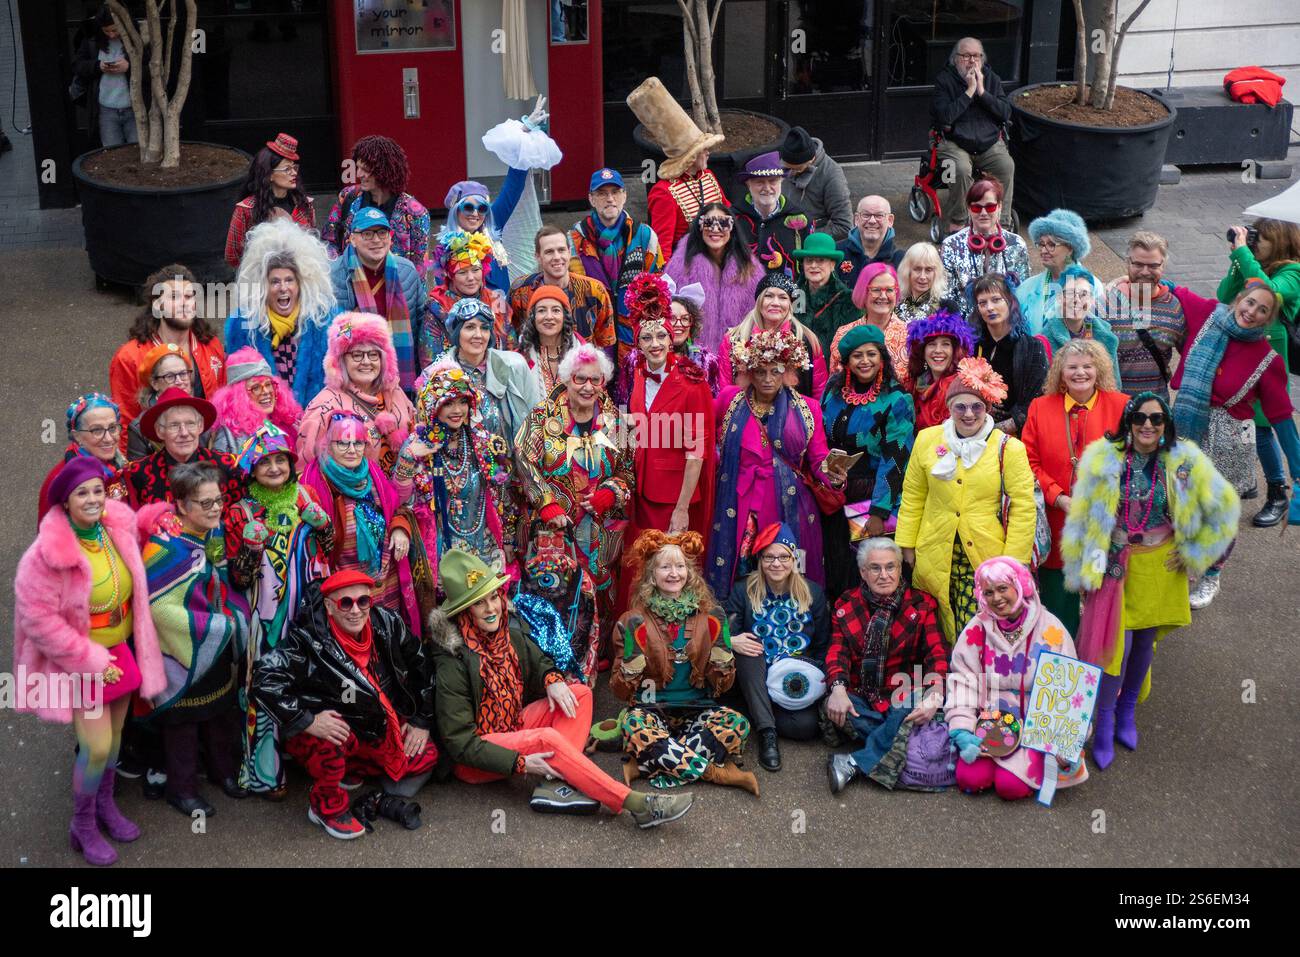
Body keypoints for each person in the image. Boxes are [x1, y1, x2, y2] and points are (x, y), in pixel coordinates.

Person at [428, 548, 693, 827]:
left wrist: (552, 681)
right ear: (464, 613)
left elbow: (541, 661)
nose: (492, 608)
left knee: (579, 693)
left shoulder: (508, 636)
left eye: (494, 597)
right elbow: (460, 743)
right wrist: (521, 763)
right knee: (546, 738)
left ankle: (556, 783)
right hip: (478, 754)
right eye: (479, 603)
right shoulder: (452, 660)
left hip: (513, 726)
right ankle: (635, 804)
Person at [1061, 393, 1239, 769]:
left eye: (1156, 420)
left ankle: (1127, 713)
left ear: (1166, 425)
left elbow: (1224, 510)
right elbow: (1080, 519)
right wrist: (1083, 570)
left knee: (1143, 645)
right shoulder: (1102, 459)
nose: (1147, 425)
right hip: (1116, 567)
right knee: (1116, 648)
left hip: (1161, 567)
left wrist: (1197, 552)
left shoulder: (1184, 459)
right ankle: (1104, 719)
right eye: (1139, 418)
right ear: (1128, 421)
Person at [14, 457, 165, 866]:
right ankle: (82, 824)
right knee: (96, 747)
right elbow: (38, 619)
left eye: (98, 489)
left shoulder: (113, 524)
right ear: (63, 503)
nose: (94, 498)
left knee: (114, 739)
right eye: (83, 493)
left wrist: (156, 516)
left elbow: (138, 529)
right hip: (82, 659)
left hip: (121, 649)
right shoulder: (45, 553)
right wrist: (92, 661)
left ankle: (106, 807)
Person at [251, 569, 439, 839]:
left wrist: (420, 721)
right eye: (345, 603)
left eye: (363, 601)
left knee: (427, 755)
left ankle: (352, 768)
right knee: (332, 740)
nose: (356, 610)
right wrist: (308, 720)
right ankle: (325, 806)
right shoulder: (307, 640)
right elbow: (263, 678)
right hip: (330, 727)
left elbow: (422, 664)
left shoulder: (387, 623)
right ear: (329, 606)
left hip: (374, 721)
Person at [1171, 278, 1300, 607]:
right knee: (1178, 502)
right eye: (1250, 303)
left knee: (1220, 512)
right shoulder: (1208, 315)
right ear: (1238, 299)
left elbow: (1282, 418)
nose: (1252, 312)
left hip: (1229, 442)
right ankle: (1181, 565)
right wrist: (1134, 280)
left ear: (1269, 319)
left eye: (1263, 310)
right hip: (1185, 429)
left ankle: (1212, 576)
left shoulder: (1268, 360)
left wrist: (1297, 472)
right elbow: (1171, 288)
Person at [226, 425, 333, 797]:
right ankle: (266, 773)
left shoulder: (305, 496)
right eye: (264, 462)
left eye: (280, 460)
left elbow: (327, 550)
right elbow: (238, 579)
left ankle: (315, 763)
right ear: (251, 470)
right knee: (265, 687)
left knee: (309, 681)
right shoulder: (241, 512)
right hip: (264, 619)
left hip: (306, 613)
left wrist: (324, 526)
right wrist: (250, 550)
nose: (273, 468)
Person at [896, 358, 1036, 641]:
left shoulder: (1008, 448)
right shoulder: (926, 439)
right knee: (936, 626)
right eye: (960, 406)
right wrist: (907, 545)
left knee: (979, 631)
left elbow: (1023, 507)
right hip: (935, 550)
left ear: (988, 409)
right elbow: (913, 495)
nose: (969, 414)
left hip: (985, 555)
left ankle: (977, 681)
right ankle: (945, 680)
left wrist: (1012, 563)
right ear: (950, 409)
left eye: (977, 407)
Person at [139, 463, 249, 817]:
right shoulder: (166, 550)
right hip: (182, 650)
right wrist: (215, 626)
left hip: (210, 642)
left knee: (219, 711)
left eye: (218, 500)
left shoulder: (209, 536)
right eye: (205, 503)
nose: (215, 508)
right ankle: (181, 789)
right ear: (182, 506)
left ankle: (223, 772)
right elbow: (158, 608)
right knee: (182, 723)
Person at [613, 531, 757, 794]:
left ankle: (647, 765)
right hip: (651, 708)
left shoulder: (711, 617)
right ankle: (718, 774)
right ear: (651, 575)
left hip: (697, 708)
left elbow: (722, 686)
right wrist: (631, 666)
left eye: (680, 566)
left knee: (738, 723)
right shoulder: (632, 619)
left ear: (689, 573)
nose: (673, 573)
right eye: (665, 566)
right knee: (633, 725)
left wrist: (724, 663)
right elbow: (620, 691)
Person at [516, 344, 634, 656]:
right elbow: (523, 460)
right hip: (553, 528)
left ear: (603, 383)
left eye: (595, 380)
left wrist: (611, 492)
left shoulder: (616, 421)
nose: (587, 387)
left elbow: (627, 469)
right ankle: (552, 659)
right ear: (567, 379)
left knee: (601, 587)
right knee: (553, 591)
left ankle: (599, 655)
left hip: (601, 529)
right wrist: (546, 503)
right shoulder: (542, 416)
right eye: (580, 379)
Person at [707, 329, 842, 602]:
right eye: (760, 372)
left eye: (775, 371)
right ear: (749, 371)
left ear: (788, 370)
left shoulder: (808, 407)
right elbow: (704, 438)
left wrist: (835, 476)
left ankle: (786, 630)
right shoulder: (729, 400)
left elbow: (817, 459)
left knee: (784, 568)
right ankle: (737, 629)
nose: (768, 379)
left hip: (788, 502)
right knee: (739, 569)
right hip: (737, 499)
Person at [945, 558, 1087, 800]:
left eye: (1003, 588)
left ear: (1020, 586)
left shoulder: (1051, 628)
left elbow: (1068, 688)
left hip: (1034, 726)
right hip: (989, 724)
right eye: (988, 592)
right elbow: (963, 681)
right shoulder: (975, 629)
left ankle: (1022, 766)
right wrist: (963, 728)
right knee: (969, 780)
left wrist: (1063, 741)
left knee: (1009, 787)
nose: (997, 598)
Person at [824, 538, 949, 794]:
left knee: (913, 705)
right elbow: (838, 653)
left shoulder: (922, 605)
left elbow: (936, 656)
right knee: (835, 706)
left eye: (891, 567)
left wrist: (935, 694)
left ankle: (853, 762)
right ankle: (897, 737)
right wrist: (837, 689)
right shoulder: (845, 604)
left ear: (900, 569)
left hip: (904, 691)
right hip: (863, 696)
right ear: (862, 572)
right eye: (875, 568)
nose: (884, 575)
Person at [1021, 339, 1128, 635]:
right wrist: (1058, 497)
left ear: (1099, 369)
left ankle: (1100, 662)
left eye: (1087, 366)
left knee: (1104, 599)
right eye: (1072, 367)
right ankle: (1065, 660)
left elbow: (1133, 460)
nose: (1080, 372)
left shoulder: (1121, 405)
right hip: (1056, 521)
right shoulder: (1040, 407)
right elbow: (1028, 461)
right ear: (1060, 372)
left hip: (1105, 520)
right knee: (1059, 603)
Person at [427, 297, 541, 551]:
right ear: (456, 332)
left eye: (484, 327)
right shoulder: (437, 373)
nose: (478, 335)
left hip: (513, 477)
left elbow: (535, 420)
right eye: (469, 327)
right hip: (465, 486)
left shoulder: (514, 364)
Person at [300, 412, 425, 633]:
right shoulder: (315, 481)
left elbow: (396, 509)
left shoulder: (372, 473)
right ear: (329, 444)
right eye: (343, 443)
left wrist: (399, 529)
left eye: (358, 443)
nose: (352, 450)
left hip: (387, 584)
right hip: (349, 596)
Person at [621, 273, 716, 558]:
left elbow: (697, 452)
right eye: (646, 337)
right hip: (641, 492)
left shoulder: (692, 382)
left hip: (674, 496)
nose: (655, 344)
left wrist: (682, 508)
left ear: (671, 338)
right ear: (638, 343)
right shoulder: (638, 374)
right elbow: (636, 427)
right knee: (643, 567)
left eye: (661, 335)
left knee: (672, 565)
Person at [393, 360, 512, 588]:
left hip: (483, 547)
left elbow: (500, 495)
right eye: (448, 404)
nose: (457, 411)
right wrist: (409, 457)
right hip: (440, 552)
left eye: (462, 402)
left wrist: (505, 538)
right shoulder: (418, 445)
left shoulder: (482, 441)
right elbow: (401, 502)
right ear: (432, 407)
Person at [820, 325, 916, 600]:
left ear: (882, 357)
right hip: (834, 493)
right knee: (835, 563)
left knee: (867, 567)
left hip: (871, 495)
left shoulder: (897, 399)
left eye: (871, 354)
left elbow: (896, 458)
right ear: (847, 361)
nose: (865, 361)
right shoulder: (832, 389)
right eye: (857, 355)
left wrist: (879, 511)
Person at [725, 522, 830, 771]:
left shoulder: (812, 592)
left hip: (794, 680)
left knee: (806, 728)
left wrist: (816, 677)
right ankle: (767, 734)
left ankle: (754, 712)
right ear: (760, 560)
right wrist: (732, 639)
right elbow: (723, 629)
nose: (776, 563)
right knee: (750, 650)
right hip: (756, 672)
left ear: (794, 559)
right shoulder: (744, 590)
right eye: (769, 557)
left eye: (784, 556)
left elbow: (823, 645)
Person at [1220, 219, 1300, 528]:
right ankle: (1247, 478)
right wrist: (1238, 259)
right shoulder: (1256, 265)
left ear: (1279, 241)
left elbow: (1266, 293)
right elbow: (1224, 293)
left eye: (1260, 238)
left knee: (1263, 425)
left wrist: (1243, 254)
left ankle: (1278, 493)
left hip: (1269, 357)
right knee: (1239, 417)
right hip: (1243, 349)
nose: (1254, 241)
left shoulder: (1292, 272)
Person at [109, 264, 225, 453]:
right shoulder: (129, 357)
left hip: (207, 456)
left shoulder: (211, 346)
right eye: (174, 297)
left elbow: (221, 409)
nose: (184, 303)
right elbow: (125, 423)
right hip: (157, 462)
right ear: (157, 304)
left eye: (189, 297)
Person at [224, 217, 339, 405]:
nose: (283, 288)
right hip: (267, 428)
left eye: (289, 280)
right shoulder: (245, 328)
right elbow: (239, 389)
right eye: (275, 281)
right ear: (264, 287)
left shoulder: (323, 322)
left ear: (301, 285)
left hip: (315, 422)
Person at [568, 167, 666, 369]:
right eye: (602, 194)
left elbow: (659, 290)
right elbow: (571, 290)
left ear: (624, 195)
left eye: (615, 192)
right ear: (591, 199)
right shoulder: (575, 239)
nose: (609, 199)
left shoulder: (645, 236)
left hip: (635, 337)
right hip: (592, 336)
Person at [298, 312, 416, 474]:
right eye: (357, 355)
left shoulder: (395, 392)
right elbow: (306, 467)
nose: (366, 362)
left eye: (373, 354)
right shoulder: (324, 406)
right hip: (354, 496)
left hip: (403, 493)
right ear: (340, 360)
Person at [329, 207, 428, 394]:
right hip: (354, 379)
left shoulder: (407, 271)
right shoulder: (333, 276)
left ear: (390, 238)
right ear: (352, 239)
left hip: (402, 376)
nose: (376, 240)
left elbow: (422, 327)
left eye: (382, 233)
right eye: (367, 234)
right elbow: (328, 337)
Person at [630, 75, 726, 258]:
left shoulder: (708, 176)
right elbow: (662, 249)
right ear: (689, 158)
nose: (708, 152)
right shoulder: (663, 192)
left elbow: (729, 216)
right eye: (703, 149)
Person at [930, 37, 1015, 232]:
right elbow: (944, 117)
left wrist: (983, 92)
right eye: (966, 56)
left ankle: (1001, 223)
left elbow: (1005, 113)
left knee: (1006, 166)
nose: (972, 61)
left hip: (988, 143)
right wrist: (969, 92)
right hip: (953, 142)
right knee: (958, 170)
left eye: (977, 56)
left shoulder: (991, 78)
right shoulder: (944, 80)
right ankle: (958, 222)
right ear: (956, 59)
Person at [120, 388, 244, 513]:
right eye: (174, 425)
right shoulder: (138, 473)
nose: (184, 433)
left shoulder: (227, 466)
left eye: (190, 424)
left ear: (200, 426)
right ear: (160, 431)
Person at [326, 135, 431, 279]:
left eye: (366, 169)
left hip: (394, 292)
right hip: (352, 288)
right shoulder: (348, 197)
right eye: (358, 167)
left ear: (385, 170)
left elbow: (419, 267)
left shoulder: (415, 212)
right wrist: (337, 273)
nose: (359, 174)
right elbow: (329, 241)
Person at [664, 201, 763, 353]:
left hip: (738, 357)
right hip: (692, 358)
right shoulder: (679, 266)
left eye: (723, 223)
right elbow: (666, 316)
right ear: (700, 227)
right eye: (708, 222)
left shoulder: (750, 269)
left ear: (732, 228)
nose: (715, 229)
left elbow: (759, 317)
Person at [509, 225, 616, 362]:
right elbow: (511, 337)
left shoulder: (594, 290)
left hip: (581, 373)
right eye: (549, 252)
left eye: (561, 250)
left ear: (569, 252)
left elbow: (605, 343)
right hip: (535, 371)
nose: (557, 257)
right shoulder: (520, 291)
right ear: (538, 257)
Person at [1101, 231, 1187, 403]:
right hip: (1113, 409)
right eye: (1138, 264)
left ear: (1163, 265)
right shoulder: (1106, 303)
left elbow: (1190, 356)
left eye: (1153, 266)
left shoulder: (1175, 307)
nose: (1145, 272)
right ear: (1128, 262)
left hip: (1155, 415)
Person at [721, 271, 828, 398]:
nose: (775, 303)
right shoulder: (734, 339)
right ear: (759, 301)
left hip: (793, 415)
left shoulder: (807, 340)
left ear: (790, 304)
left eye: (783, 297)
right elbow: (725, 390)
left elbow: (819, 391)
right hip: (746, 413)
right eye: (769, 296)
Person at [971, 273, 1048, 436]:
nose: (989, 307)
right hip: (974, 427)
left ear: (1010, 302)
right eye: (982, 303)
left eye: (996, 299)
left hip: (1016, 437)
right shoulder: (973, 346)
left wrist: (994, 431)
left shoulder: (1032, 347)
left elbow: (1036, 401)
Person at [224, 133, 316, 269]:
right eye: (287, 169)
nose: (294, 173)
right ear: (270, 174)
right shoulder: (246, 209)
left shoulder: (305, 205)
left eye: (294, 167)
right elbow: (232, 256)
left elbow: (313, 246)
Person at [940, 179, 1029, 317]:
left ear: (999, 207)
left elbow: (1023, 293)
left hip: (1007, 325)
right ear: (969, 209)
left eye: (990, 207)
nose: (983, 213)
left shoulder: (1017, 244)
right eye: (976, 207)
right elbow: (947, 297)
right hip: (967, 329)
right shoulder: (951, 246)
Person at [423, 228, 511, 363]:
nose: (471, 278)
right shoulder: (436, 308)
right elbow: (429, 360)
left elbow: (512, 347)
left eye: (476, 270)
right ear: (450, 275)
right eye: (462, 272)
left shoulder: (497, 302)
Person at [38, 394, 130, 520]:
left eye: (113, 428)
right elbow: (49, 536)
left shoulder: (124, 467)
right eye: (96, 430)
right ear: (77, 436)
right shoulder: (60, 479)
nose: (108, 438)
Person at [1017, 208, 1096, 336]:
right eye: (1041, 244)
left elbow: (1097, 332)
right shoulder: (1027, 288)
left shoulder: (1093, 287)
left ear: (1070, 248)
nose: (1043, 250)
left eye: (1051, 244)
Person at [208, 348, 302, 456]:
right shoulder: (229, 435)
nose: (266, 392)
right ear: (239, 396)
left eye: (268, 384)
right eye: (256, 387)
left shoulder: (284, 425)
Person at [733, 151, 813, 276]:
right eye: (759, 182)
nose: (767, 188)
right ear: (748, 184)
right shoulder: (732, 219)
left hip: (788, 294)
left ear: (781, 181)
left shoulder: (801, 219)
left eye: (772, 181)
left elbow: (809, 265)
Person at [829, 262, 910, 384]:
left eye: (889, 290)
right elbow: (834, 382)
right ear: (863, 292)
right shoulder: (844, 333)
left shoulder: (910, 334)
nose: (883, 296)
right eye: (876, 290)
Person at [1042, 265, 1122, 387]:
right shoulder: (1044, 341)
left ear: (1092, 299)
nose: (1076, 300)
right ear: (1059, 298)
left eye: (1083, 294)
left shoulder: (1105, 336)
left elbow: (1115, 387)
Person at [72, 5, 137, 148]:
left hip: (134, 108)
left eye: (115, 30)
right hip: (106, 109)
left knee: (136, 152)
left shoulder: (136, 40)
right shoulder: (92, 41)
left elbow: (154, 70)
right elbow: (77, 65)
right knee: (111, 156)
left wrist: (129, 67)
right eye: (106, 31)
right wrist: (98, 66)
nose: (111, 35)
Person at [905, 309, 976, 431]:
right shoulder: (915, 384)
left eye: (945, 344)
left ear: (955, 351)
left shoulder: (962, 386)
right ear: (923, 351)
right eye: (932, 344)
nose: (938, 350)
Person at [126, 344, 199, 460]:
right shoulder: (139, 427)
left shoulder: (201, 413)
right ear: (154, 383)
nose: (180, 381)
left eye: (183, 374)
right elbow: (136, 473)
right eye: (170, 376)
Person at [780, 125, 852, 240]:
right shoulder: (781, 163)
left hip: (811, 243)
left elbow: (844, 226)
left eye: (796, 169)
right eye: (786, 168)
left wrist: (804, 237)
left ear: (812, 160)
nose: (789, 174)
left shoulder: (832, 175)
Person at [793, 232, 858, 357]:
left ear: (832, 264)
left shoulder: (847, 299)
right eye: (809, 260)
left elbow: (850, 346)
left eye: (820, 260)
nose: (813, 266)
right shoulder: (795, 295)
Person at [516, 285, 585, 397]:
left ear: (565, 317)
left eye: (556, 310)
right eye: (542, 310)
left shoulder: (586, 356)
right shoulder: (519, 359)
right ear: (533, 318)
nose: (549, 316)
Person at [835, 195, 905, 289]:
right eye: (866, 215)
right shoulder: (837, 252)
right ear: (856, 219)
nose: (872, 221)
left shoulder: (901, 260)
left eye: (879, 215)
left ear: (890, 220)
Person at [893, 241, 950, 326]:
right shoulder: (893, 303)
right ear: (907, 271)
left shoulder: (946, 306)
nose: (923, 277)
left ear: (936, 272)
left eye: (928, 270)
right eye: (917, 269)